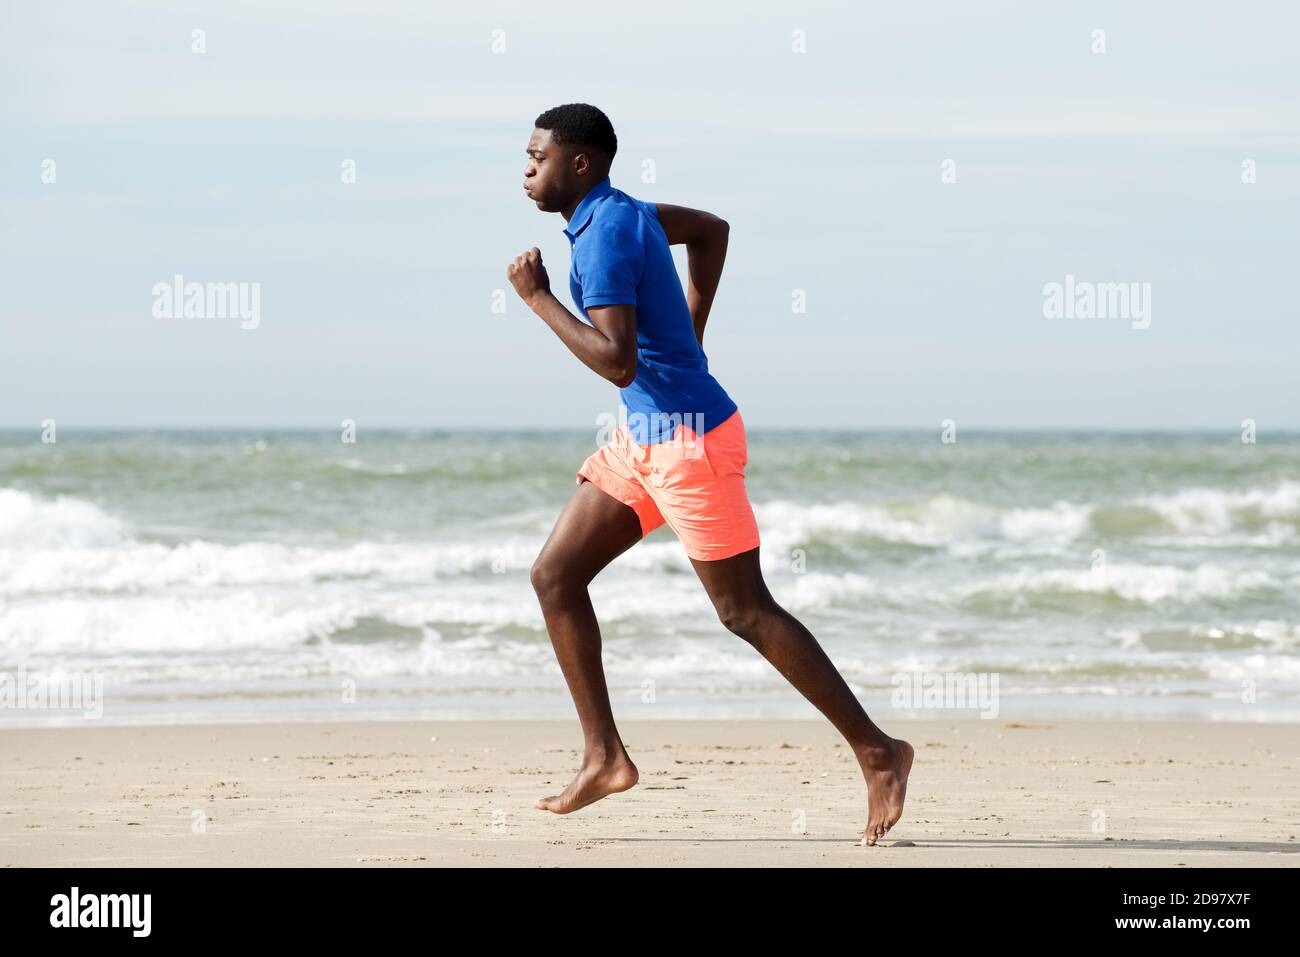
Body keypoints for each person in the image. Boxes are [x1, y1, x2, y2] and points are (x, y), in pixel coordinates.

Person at [507, 103, 912, 846]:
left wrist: (539, 302)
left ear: (581, 165)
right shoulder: (626, 213)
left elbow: (617, 361)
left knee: (744, 610)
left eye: (537, 158)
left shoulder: (600, 240)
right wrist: (689, 326)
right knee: (555, 575)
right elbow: (714, 230)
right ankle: (605, 758)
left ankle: (878, 749)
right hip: (646, 439)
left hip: (689, 444)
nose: (525, 171)